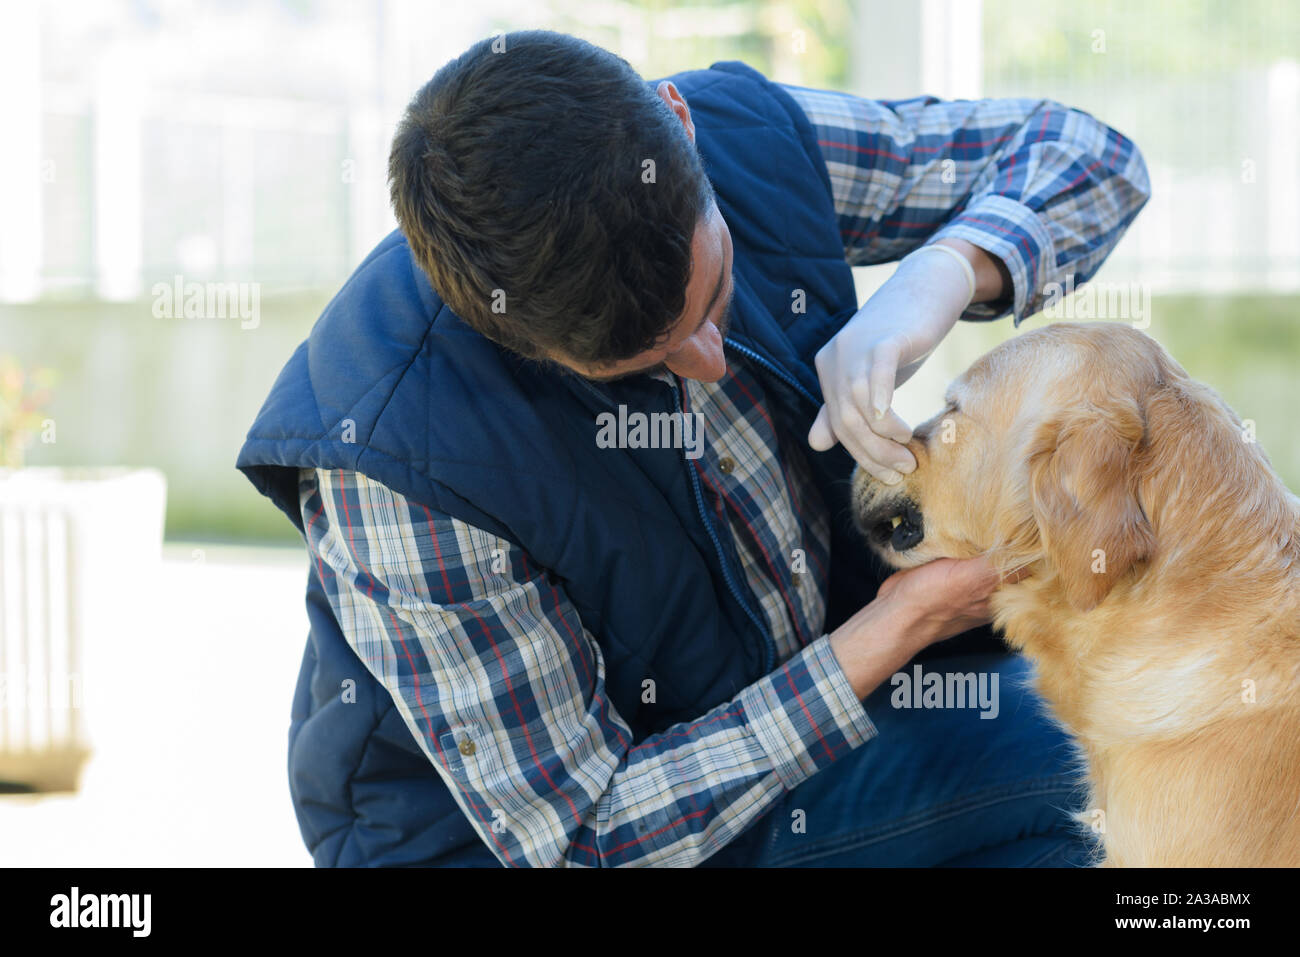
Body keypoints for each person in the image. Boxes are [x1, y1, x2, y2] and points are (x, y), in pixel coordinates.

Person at [236, 29, 1150, 867]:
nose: (710, 363)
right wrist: (899, 625)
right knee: (1095, 761)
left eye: (712, 297)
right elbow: (588, 833)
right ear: (509, 334)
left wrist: (948, 271)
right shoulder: (400, 457)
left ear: (678, 122)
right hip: (558, 840)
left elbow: (1093, 157)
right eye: (641, 362)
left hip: (806, 717)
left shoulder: (738, 136)